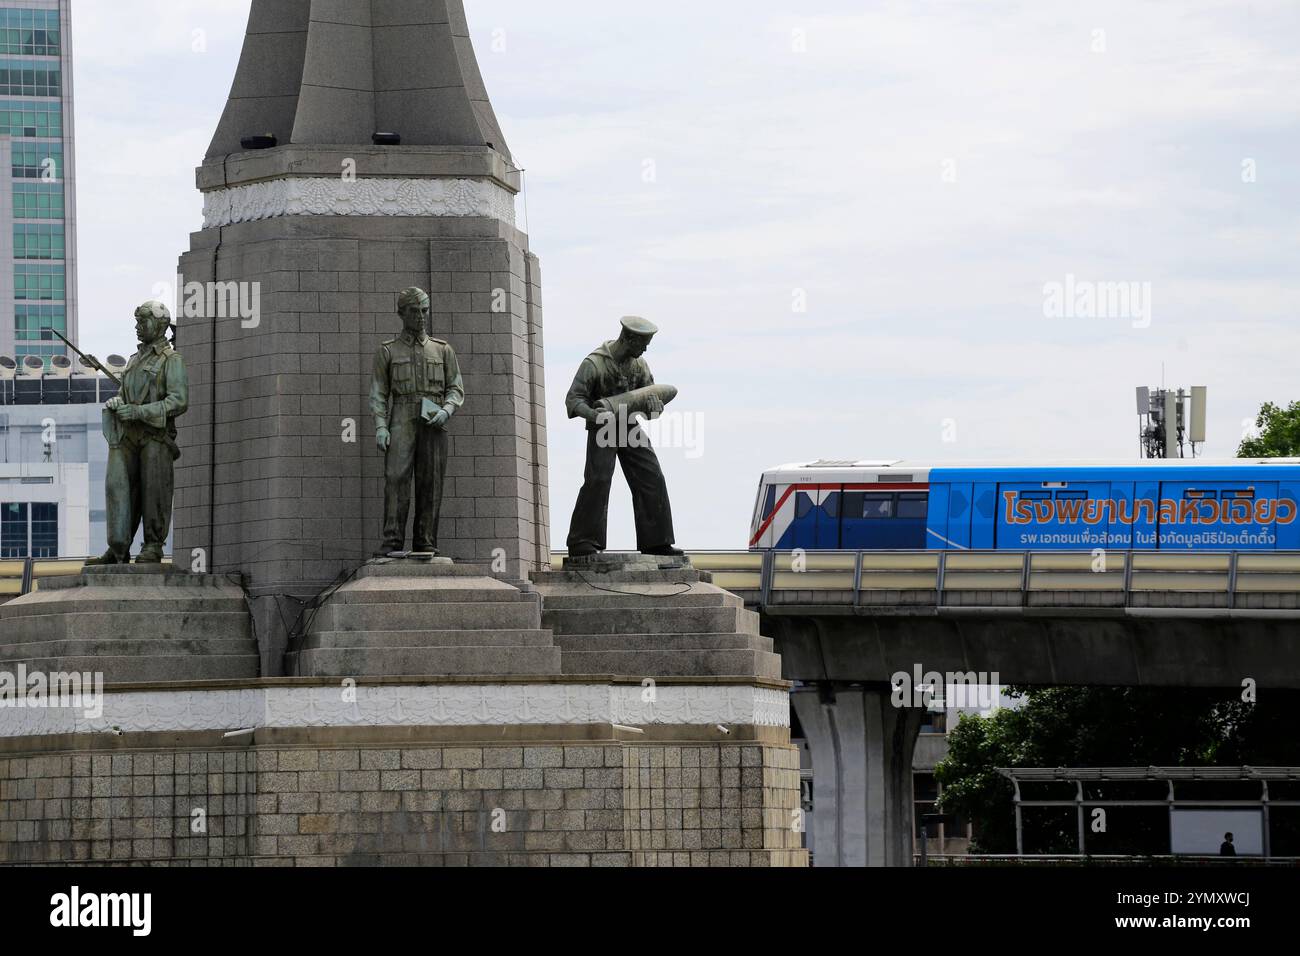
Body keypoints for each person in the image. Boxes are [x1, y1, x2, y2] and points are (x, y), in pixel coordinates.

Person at [564, 316, 682, 558]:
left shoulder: (640, 365)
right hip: (603, 426)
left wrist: (654, 408)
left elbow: (652, 411)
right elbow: (573, 399)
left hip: (629, 424)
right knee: (598, 480)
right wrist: (593, 414)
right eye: (644, 343)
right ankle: (582, 541)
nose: (646, 348)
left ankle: (657, 541)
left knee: (652, 476)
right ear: (629, 338)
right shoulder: (594, 363)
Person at [87, 301, 189, 565]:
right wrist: (117, 403)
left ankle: (153, 545)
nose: (137, 327)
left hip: (156, 437)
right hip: (128, 437)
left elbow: (178, 401)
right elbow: (124, 395)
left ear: (159, 325)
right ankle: (118, 547)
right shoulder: (133, 361)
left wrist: (140, 413)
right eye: (137, 321)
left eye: (143, 321)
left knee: (155, 491)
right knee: (121, 490)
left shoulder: (172, 360)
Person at [369, 288, 464, 556]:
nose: (422, 317)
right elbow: (378, 392)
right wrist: (380, 426)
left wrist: (447, 410)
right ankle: (392, 541)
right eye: (415, 311)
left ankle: (425, 541)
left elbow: (455, 388)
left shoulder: (443, 350)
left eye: (425, 310)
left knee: (430, 480)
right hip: (401, 414)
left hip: (434, 418)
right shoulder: (388, 351)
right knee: (396, 478)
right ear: (402, 314)